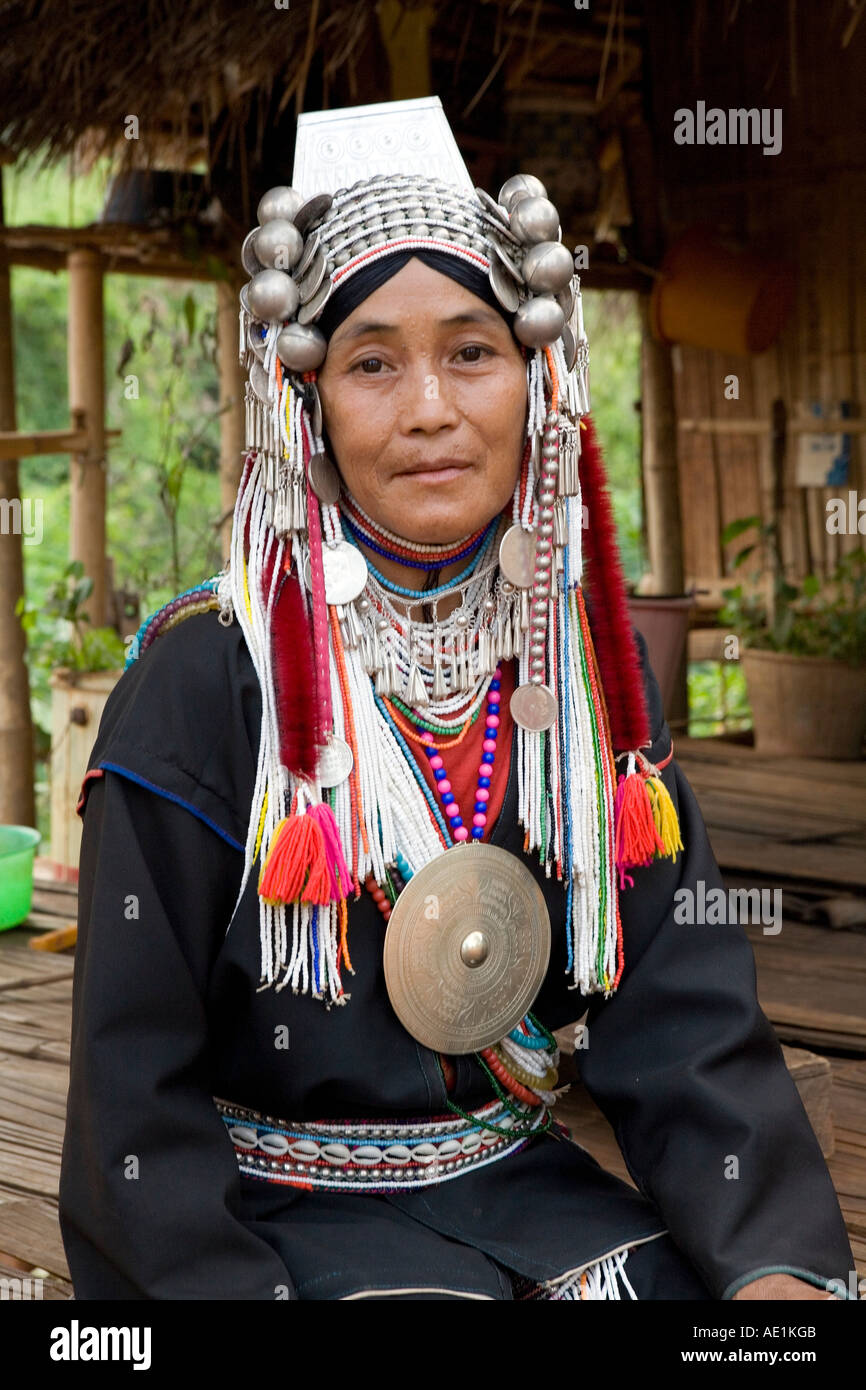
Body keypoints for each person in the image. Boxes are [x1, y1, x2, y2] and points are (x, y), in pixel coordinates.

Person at [59, 97, 854, 1301]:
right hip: (272, 1223)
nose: (429, 406)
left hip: (519, 1188)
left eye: (471, 351)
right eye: (371, 361)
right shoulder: (209, 678)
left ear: (535, 384)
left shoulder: (574, 678)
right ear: (304, 403)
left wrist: (771, 1272)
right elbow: (131, 1095)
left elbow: (685, 1031)